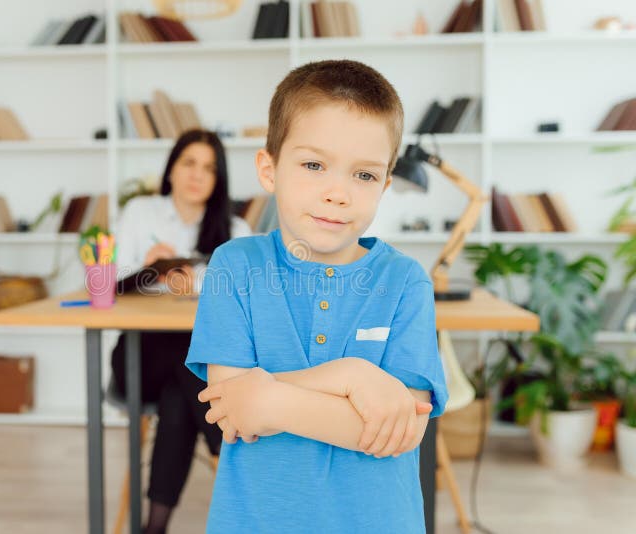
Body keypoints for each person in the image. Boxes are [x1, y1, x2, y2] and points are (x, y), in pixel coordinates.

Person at [185, 60, 449, 533]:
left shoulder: (406, 281)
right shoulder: (235, 266)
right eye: (313, 165)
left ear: (385, 185)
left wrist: (269, 397)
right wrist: (352, 377)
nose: (338, 193)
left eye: (364, 176)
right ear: (269, 169)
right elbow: (234, 412)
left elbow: (401, 432)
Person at [111, 128, 251, 534]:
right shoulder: (141, 212)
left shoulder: (235, 230)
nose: (197, 174)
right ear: (171, 167)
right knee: (189, 362)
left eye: (209, 168)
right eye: (189, 162)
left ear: (218, 179)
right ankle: (228, 449)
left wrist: (198, 287)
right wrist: (146, 271)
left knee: (179, 398)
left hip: (192, 369)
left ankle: (153, 528)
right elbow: (105, 285)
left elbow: (243, 302)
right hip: (140, 360)